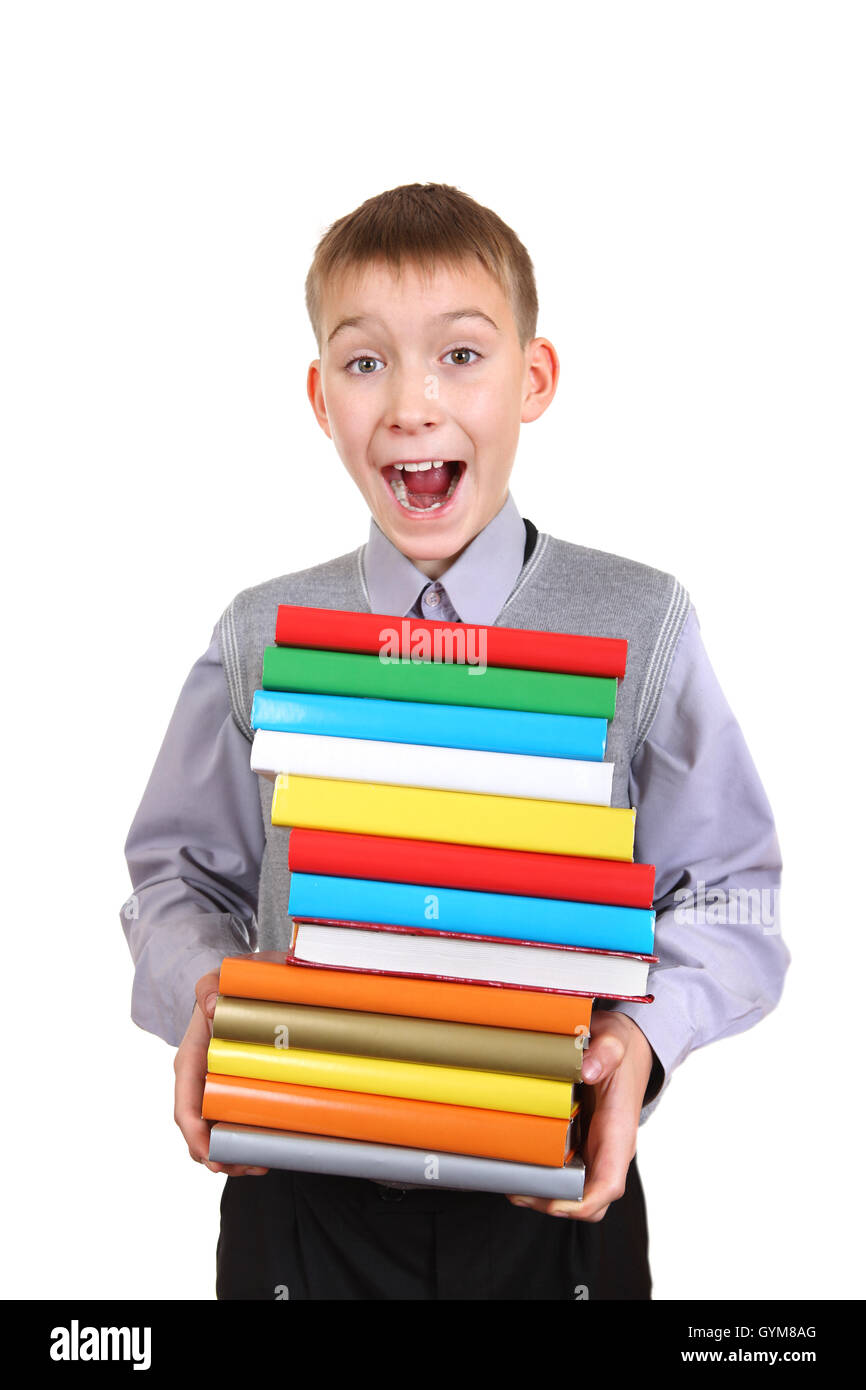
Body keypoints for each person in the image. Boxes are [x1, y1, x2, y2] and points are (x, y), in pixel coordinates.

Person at [122, 182, 788, 1300]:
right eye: (366, 361)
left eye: (461, 357)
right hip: (302, 1188)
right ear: (318, 395)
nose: (411, 405)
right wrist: (204, 990)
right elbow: (179, 875)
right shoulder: (259, 633)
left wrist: (639, 1040)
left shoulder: (639, 622)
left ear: (533, 381)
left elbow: (729, 892)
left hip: (551, 1189)